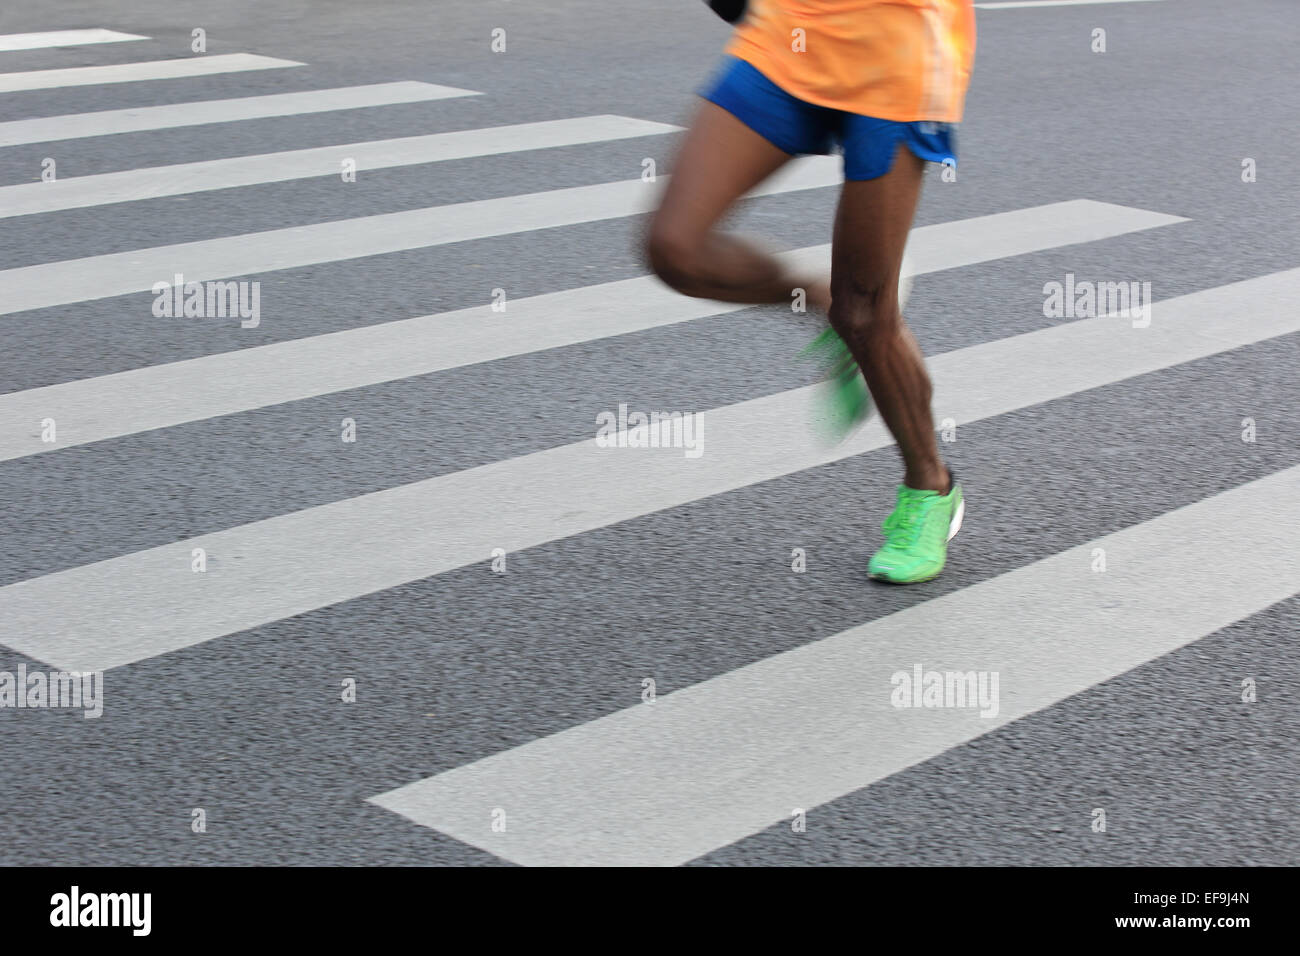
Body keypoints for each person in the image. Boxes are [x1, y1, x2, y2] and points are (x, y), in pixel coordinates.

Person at [646, 0, 976, 584]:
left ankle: (930, 487)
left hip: (899, 52)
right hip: (788, 32)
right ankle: (819, 299)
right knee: (675, 248)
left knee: (866, 314)